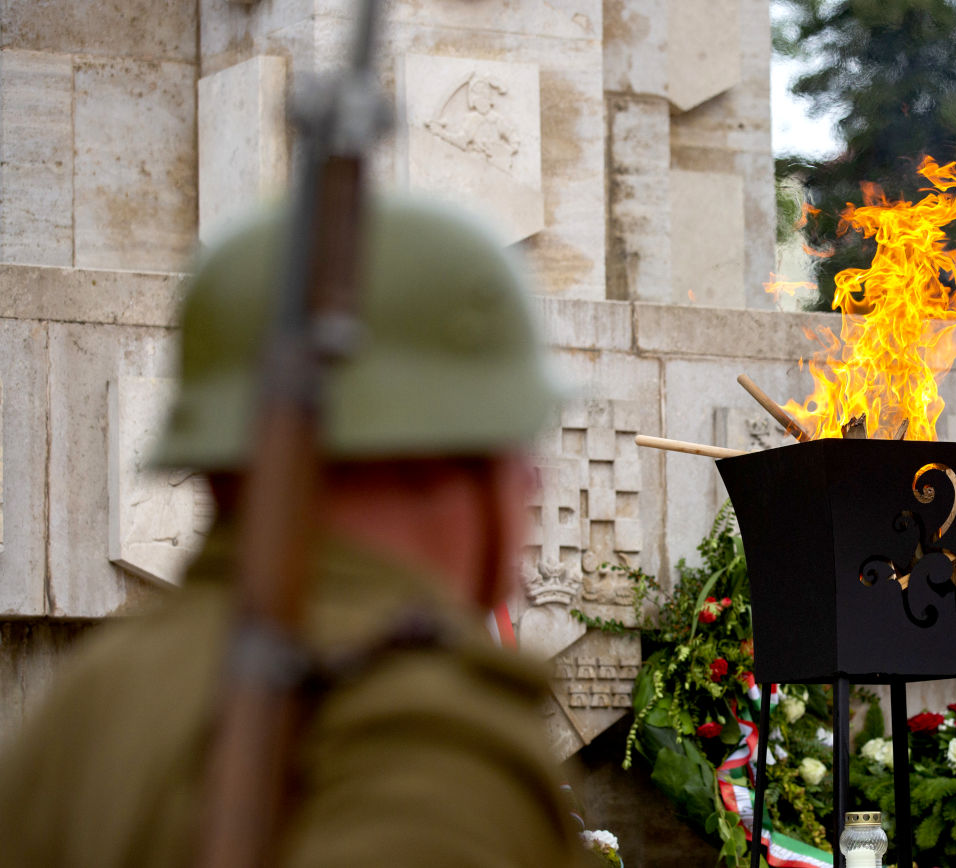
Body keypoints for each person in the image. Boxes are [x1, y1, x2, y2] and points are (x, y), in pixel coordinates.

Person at [0, 195, 586, 868]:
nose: (532, 481)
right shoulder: (427, 735)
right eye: (516, 438)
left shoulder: (88, 706)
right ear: (434, 454)